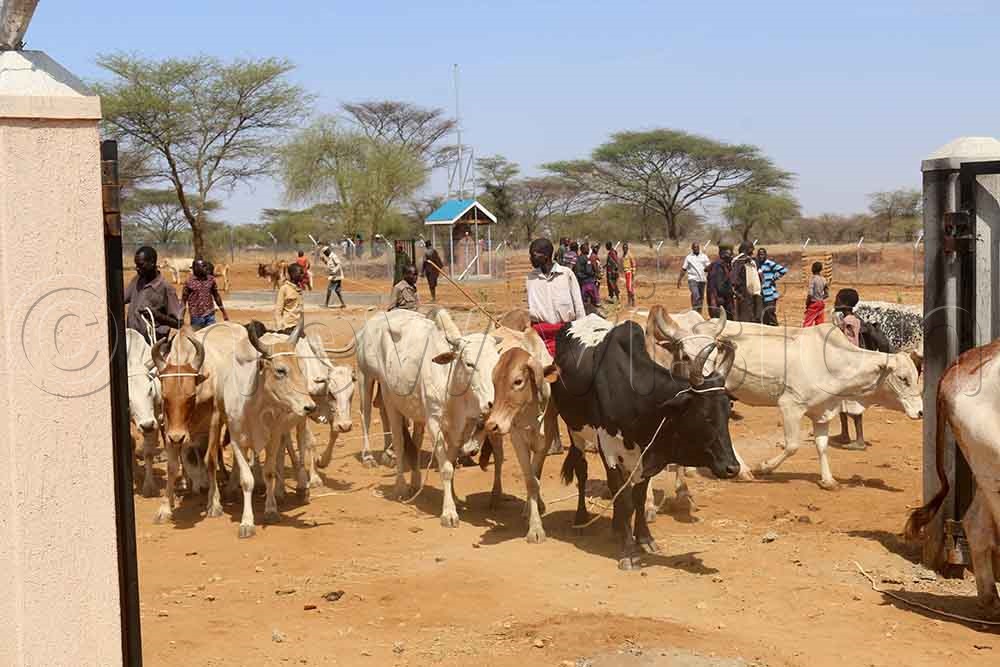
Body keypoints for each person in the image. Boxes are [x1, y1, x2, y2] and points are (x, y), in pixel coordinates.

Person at [526, 238, 586, 357]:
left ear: (546, 255)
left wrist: (583, 330)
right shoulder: (530, 278)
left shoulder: (566, 274)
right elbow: (531, 307)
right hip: (540, 336)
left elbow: (578, 306)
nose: (531, 259)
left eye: (534, 255)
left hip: (566, 334)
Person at [124, 246, 182, 343]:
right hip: (134, 344)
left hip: (154, 345)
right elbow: (122, 299)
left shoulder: (166, 288)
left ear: (152, 263)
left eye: (141, 265)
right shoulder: (137, 280)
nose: (137, 269)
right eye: (136, 265)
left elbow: (178, 323)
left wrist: (157, 315)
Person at [182, 259, 228, 331]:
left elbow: (216, 296)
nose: (206, 268)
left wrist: (224, 312)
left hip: (210, 316)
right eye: (203, 266)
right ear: (196, 268)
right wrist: (181, 318)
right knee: (197, 339)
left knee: (212, 337)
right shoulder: (189, 282)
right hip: (196, 317)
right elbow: (183, 301)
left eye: (205, 266)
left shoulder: (210, 280)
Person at [731, 241, 762, 322]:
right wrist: (737, 292)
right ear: (747, 249)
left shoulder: (750, 260)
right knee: (745, 317)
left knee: (754, 315)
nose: (753, 251)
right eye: (751, 249)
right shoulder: (739, 260)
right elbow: (734, 277)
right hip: (743, 293)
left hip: (753, 293)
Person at [676, 241, 710, 315]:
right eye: (694, 247)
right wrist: (679, 280)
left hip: (702, 280)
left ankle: (699, 313)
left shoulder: (704, 256)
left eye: (697, 247)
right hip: (692, 279)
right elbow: (684, 269)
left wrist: (708, 271)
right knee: (696, 295)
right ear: (692, 248)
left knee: (700, 298)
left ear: (699, 248)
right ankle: (694, 312)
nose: (696, 249)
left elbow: (709, 267)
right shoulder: (689, 257)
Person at [756, 248, 788, 326]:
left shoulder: (769, 263)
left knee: (770, 313)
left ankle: (776, 329)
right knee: (764, 315)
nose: (761, 256)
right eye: (759, 254)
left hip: (770, 293)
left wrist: (773, 278)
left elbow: (783, 270)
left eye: (762, 254)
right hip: (761, 294)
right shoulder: (757, 265)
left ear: (765, 255)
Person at [706, 245, 735, 320]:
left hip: (721, 300)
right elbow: (720, 287)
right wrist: (732, 292)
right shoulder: (718, 267)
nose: (732, 256)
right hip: (719, 301)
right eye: (730, 254)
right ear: (723, 254)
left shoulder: (724, 265)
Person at [274, 263, 305, 333]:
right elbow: (278, 311)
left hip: (298, 327)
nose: (302, 275)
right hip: (287, 327)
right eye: (300, 273)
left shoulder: (299, 289)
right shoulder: (284, 289)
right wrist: (280, 328)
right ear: (293, 274)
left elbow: (301, 311)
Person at [574, 242, 599, 311]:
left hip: (580, 280)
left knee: (583, 298)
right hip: (587, 280)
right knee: (592, 298)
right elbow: (588, 271)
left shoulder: (578, 258)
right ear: (583, 250)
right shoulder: (586, 259)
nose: (588, 250)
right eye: (587, 249)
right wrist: (594, 274)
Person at [803, 261, 828, 326]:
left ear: (813, 269)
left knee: (807, 323)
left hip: (814, 304)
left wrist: (807, 303)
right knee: (820, 324)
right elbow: (827, 294)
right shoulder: (823, 279)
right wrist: (820, 298)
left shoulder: (813, 279)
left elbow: (810, 294)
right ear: (820, 269)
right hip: (821, 303)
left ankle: (806, 335)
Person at [322, 243, 346, 309]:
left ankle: (326, 304)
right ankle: (343, 304)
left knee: (329, 289)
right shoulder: (330, 257)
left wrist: (334, 271)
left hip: (336, 276)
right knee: (337, 290)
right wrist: (324, 261)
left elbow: (339, 264)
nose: (325, 254)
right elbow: (330, 265)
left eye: (325, 253)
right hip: (335, 275)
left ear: (327, 251)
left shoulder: (333, 256)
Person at [621, 242, 637, 307]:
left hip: (629, 272)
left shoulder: (629, 254)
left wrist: (633, 272)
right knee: (628, 288)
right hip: (626, 272)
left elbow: (633, 263)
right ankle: (629, 301)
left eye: (625, 248)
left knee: (629, 288)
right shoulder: (623, 255)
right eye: (623, 248)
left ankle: (633, 301)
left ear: (627, 248)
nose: (624, 249)